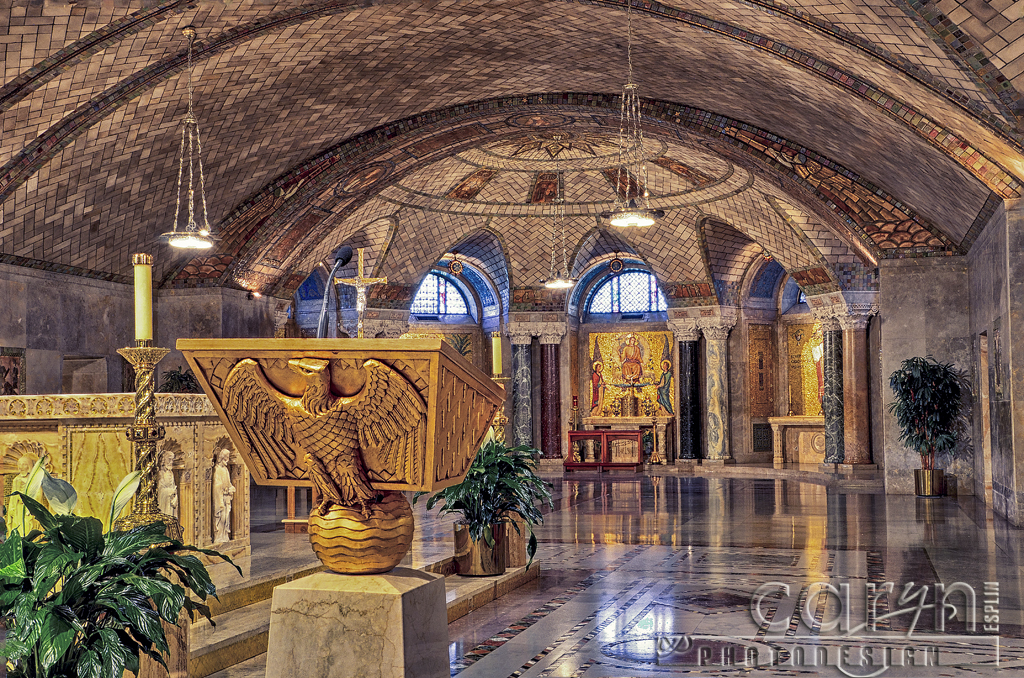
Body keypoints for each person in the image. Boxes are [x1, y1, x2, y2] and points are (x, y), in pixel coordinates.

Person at [213, 448, 235, 543]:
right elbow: (216, 485)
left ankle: (224, 535)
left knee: (226, 518)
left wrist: (231, 488)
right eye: (226, 457)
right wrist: (223, 488)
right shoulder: (217, 469)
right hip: (220, 498)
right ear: (222, 457)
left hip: (226, 498)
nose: (228, 460)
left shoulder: (225, 470)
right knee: (221, 517)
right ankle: (218, 536)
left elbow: (229, 483)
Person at [157, 449, 178, 519]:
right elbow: (159, 490)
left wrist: (175, 496)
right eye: (169, 459)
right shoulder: (160, 473)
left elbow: (173, 487)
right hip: (163, 502)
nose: (171, 462)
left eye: (172, 460)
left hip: (170, 501)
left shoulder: (171, 473)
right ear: (164, 460)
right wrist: (170, 492)